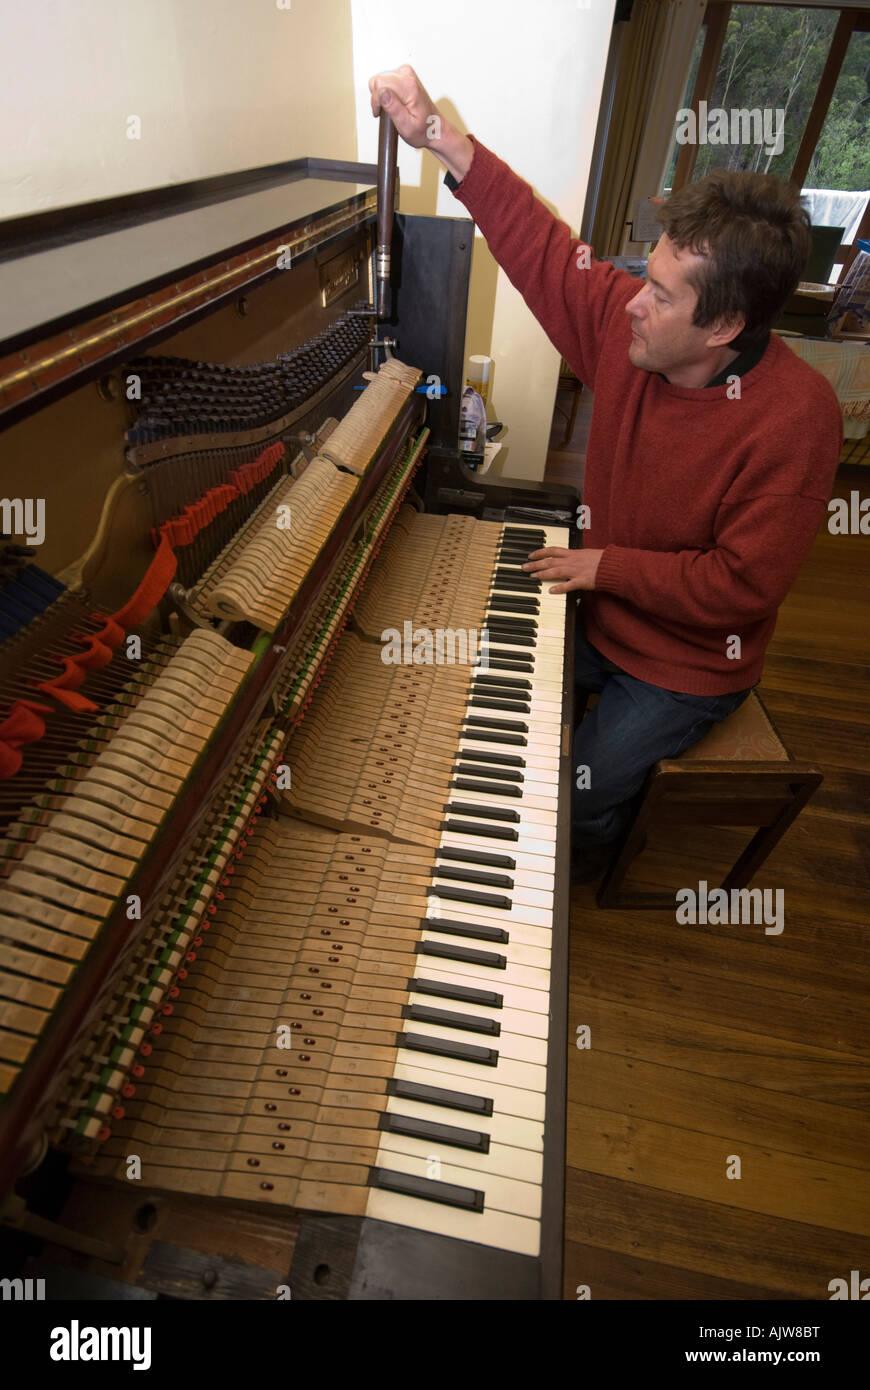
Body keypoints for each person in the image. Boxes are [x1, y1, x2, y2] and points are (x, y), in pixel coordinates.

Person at [369, 66, 842, 879]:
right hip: (605, 613)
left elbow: (742, 588)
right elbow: (545, 248)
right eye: (643, 278)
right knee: (471, 673)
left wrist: (605, 567)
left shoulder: (796, 420)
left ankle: (590, 857)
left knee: (575, 795)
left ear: (724, 324)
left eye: (659, 295)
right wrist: (438, 135)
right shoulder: (637, 339)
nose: (631, 303)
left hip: (687, 663)